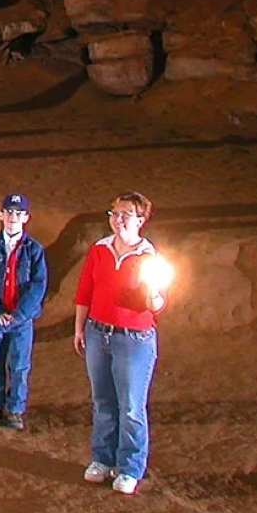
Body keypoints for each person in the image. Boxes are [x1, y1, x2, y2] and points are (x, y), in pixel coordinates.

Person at [73, 191, 168, 495]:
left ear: (141, 219)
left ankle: (130, 466)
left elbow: (158, 303)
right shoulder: (99, 250)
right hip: (98, 333)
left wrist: (154, 297)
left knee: (130, 406)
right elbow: (85, 290)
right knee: (103, 400)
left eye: (126, 214)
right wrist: (79, 328)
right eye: (114, 213)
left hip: (133, 339)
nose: (118, 219)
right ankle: (102, 458)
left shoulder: (149, 257)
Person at [0, 192, 48, 430]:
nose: (12, 217)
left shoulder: (34, 250)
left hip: (21, 320)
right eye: (8, 212)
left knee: (19, 365)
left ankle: (15, 409)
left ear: (26, 217)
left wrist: (18, 314)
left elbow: (38, 285)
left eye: (18, 213)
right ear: (1, 215)